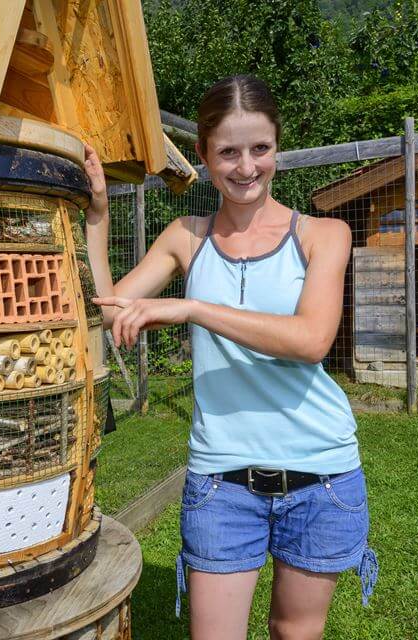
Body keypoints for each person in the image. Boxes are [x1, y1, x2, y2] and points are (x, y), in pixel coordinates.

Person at [83, 75, 377, 640]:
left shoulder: (323, 234)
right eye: (228, 152)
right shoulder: (185, 238)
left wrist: (194, 309)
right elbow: (109, 306)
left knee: (295, 630)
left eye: (260, 148)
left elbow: (311, 339)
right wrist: (98, 215)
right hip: (221, 481)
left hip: (323, 477)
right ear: (204, 155)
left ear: (277, 148)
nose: (246, 167)